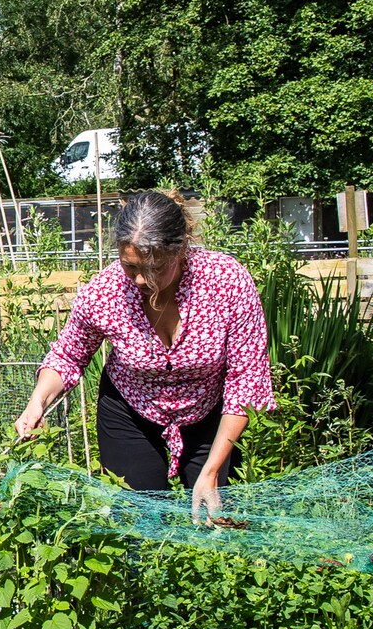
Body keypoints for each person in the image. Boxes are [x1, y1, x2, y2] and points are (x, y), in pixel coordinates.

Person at [15, 190, 274, 517]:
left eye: (154, 267)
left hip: (209, 413)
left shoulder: (226, 282)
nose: (140, 279)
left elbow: (245, 382)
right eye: (130, 266)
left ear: (180, 250)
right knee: (140, 526)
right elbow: (68, 355)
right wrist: (38, 401)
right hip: (131, 412)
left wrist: (210, 473)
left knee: (218, 521)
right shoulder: (106, 291)